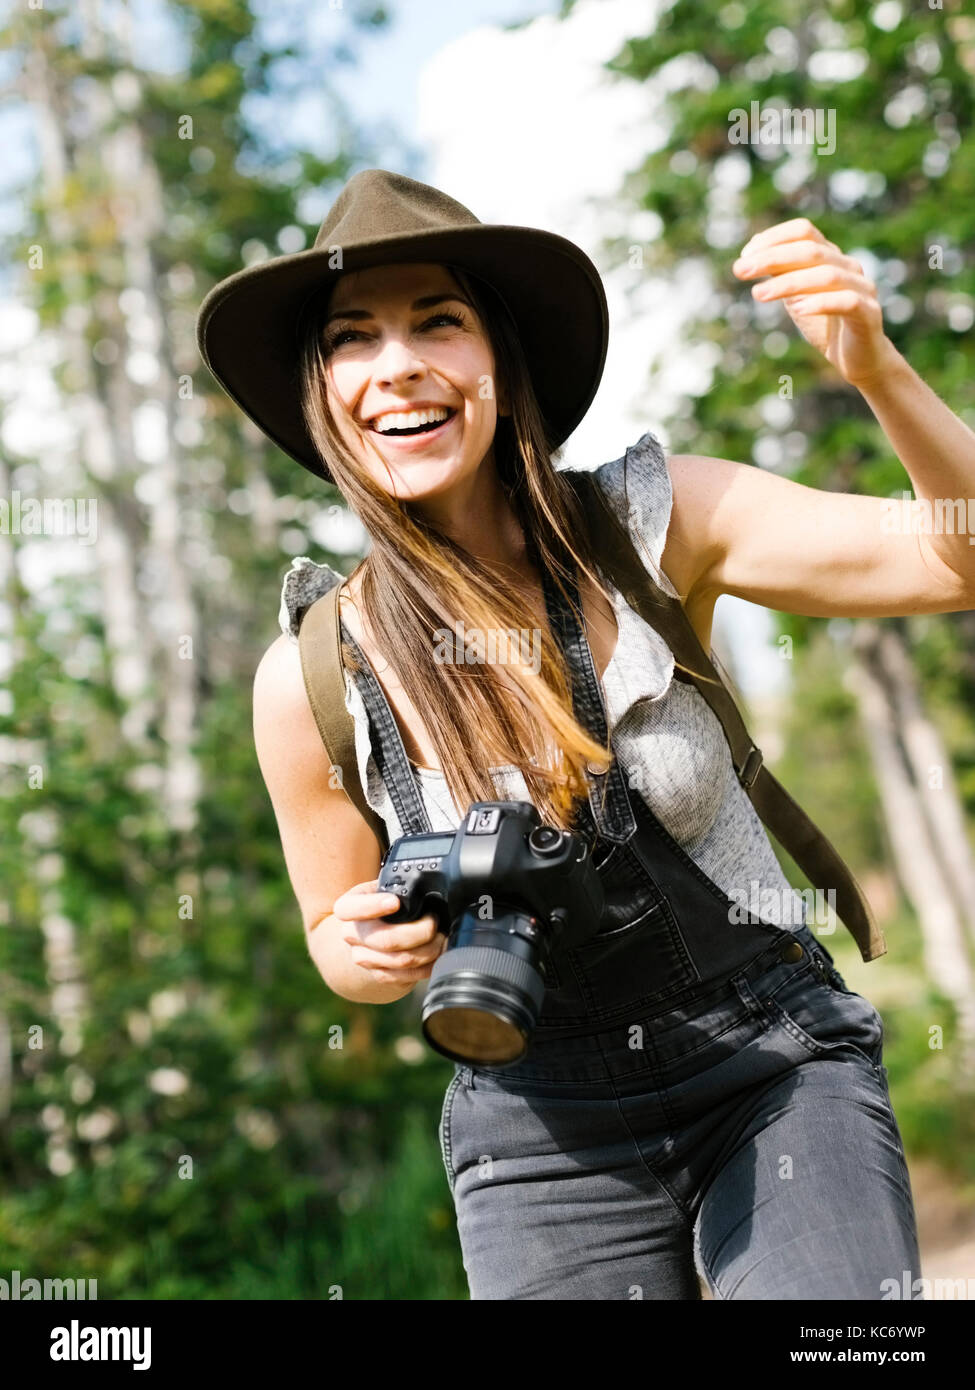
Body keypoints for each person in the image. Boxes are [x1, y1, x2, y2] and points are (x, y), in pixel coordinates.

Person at [198, 169, 974, 1301]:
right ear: (324, 392)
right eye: (352, 338)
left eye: (439, 322)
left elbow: (960, 559)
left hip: (770, 1065)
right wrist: (362, 954)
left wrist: (877, 371)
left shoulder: (653, 524)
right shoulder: (311, 673)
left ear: (503, 360)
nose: (397, 365)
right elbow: (331, 928)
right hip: (535, 1131)